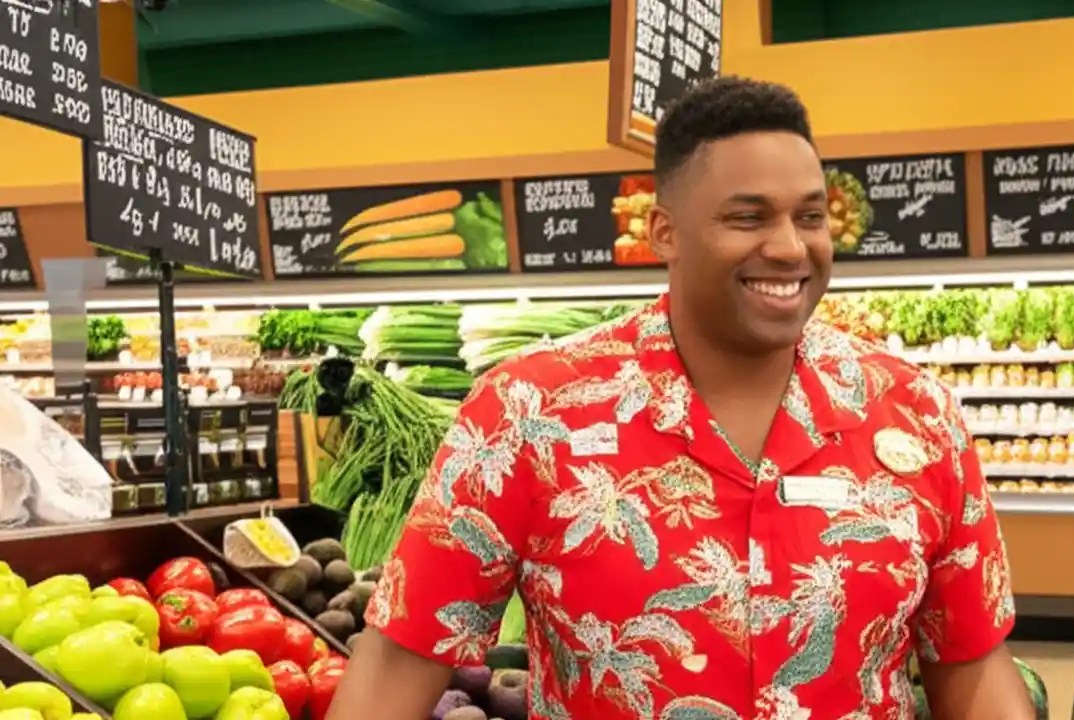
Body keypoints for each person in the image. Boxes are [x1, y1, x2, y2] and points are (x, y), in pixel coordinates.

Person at [328, 76, 1035, 720]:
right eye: (748, 217)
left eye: (811, 217)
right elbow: (401, 658)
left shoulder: (918, 415)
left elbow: (970, 666)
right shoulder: (528, 413)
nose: (790, 247)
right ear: (664, 232)